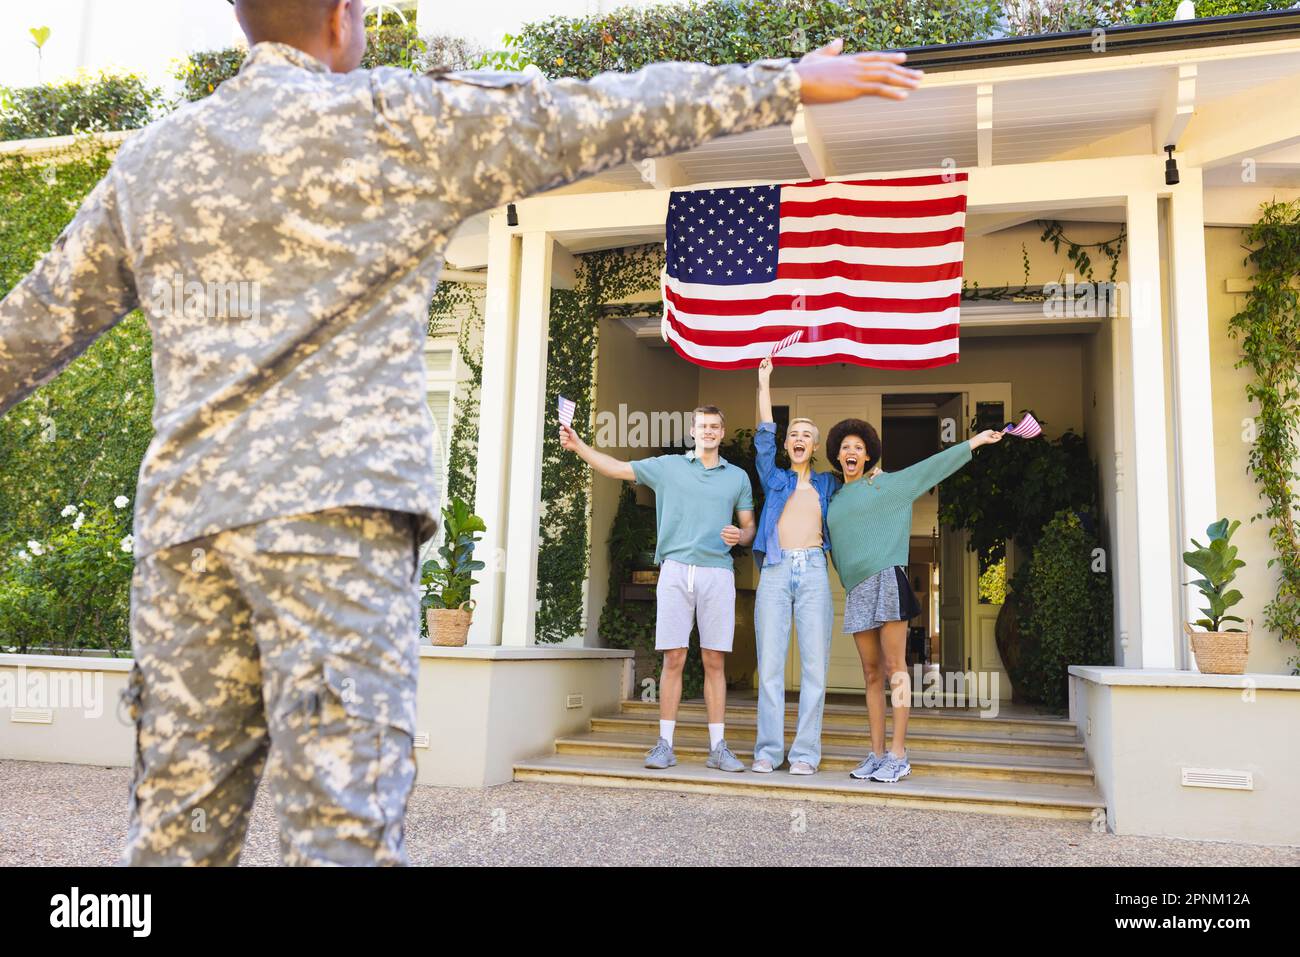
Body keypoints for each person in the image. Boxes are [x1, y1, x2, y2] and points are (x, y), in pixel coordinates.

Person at [0, 0, 923, 864]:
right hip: (336, 529)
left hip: (183, 541)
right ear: (343, 18)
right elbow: (595, 112)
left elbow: (24, 333)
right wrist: (781, 83)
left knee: (173, 834)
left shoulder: (156, 160)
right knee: (339, 833)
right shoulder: (395, 120)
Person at [561, 408, 754, 772]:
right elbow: (617, 469)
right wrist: (579, 446)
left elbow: (749, 527)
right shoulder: (668, 467)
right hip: (676, 570)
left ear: (722, 431)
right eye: (703, 426)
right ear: (693, 431)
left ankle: (718, 748)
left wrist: (741, 535)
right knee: (674, 658)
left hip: (717, 572)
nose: (709, 431)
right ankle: (664, 744)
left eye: (715, 426)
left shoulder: (738, 477)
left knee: (715, 660)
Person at [825, 419, 1003, 783]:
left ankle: (898, 753)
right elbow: (837, 548)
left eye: (858, 447)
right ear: (837, 456)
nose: (851, 452)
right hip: (858, 590)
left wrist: (975, 442)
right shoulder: (835, 499)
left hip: (888, 580)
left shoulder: (889, 484)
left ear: (868, 454)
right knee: (871, 674)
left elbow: (932, 467)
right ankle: (875, 754)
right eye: (846, 447)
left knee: (896, 669)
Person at [750, 358, 841, 774]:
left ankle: (805, 754)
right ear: (787, 445)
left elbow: (858, 489)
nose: (799, 439)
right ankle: (768, 752)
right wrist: (764, 382)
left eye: (807, 435)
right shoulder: (775, 478)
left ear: (816, 447)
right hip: (775, 569)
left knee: (814, 668)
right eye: (794, 435)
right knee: (769, 665)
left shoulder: (827, 484)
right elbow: (763, 437)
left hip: (814, 572)